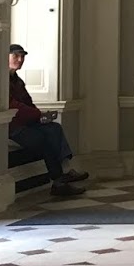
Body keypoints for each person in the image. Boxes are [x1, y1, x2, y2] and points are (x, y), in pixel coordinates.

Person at [9, 44, 89, 197]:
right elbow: (13, 106)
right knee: (43, 139)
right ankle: (59, 181)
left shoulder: (17, 81)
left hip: (26, 121)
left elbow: (27, 102)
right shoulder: (2, 82)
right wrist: (37, 115)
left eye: (22, 56)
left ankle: (66, 169)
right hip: (12, 126)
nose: (20, 60)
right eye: (16, 56)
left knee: (54, 128)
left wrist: (40, 115)